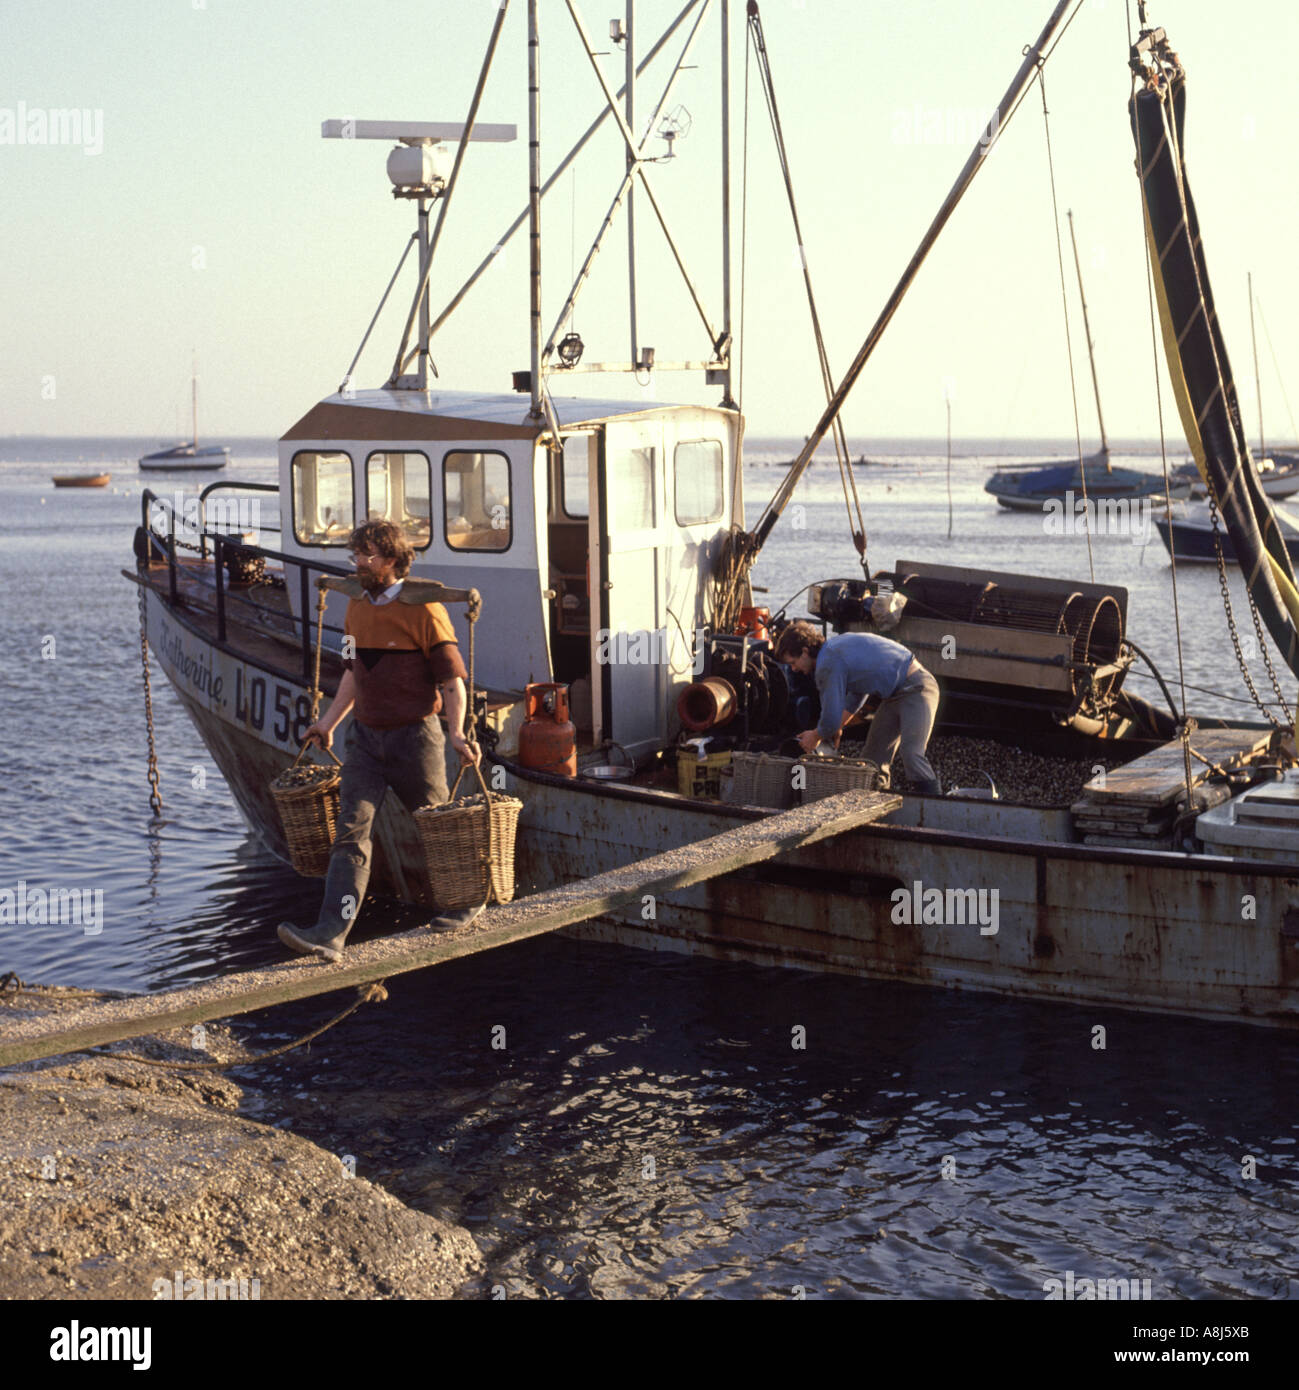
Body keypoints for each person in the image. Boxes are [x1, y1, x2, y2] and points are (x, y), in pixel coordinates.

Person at [277, 520, 479, 962]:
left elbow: (452, 682)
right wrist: (328, 722)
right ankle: (331, 933)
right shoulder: (356, 608)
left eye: (365, 555)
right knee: (350, 835)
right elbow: (353, 673)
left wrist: (457, 733)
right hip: (365, 741)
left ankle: (465, 903)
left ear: (390, 560)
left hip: (416, 740)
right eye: (355, 555)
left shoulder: (425, 611)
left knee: (436, 826)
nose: (357, 563)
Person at [773, 620, 942, 795]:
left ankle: (935, 809)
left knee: (912, 754)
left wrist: (815, 736)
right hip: (893, 696)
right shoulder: (833, 650)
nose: (793, 669)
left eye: (793, 662)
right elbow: (857, 694)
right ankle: (878, 804)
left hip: (917, 688)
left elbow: (829, 719)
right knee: (873, 759)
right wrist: (839, 725)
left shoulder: (826, 663)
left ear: (805, 652)